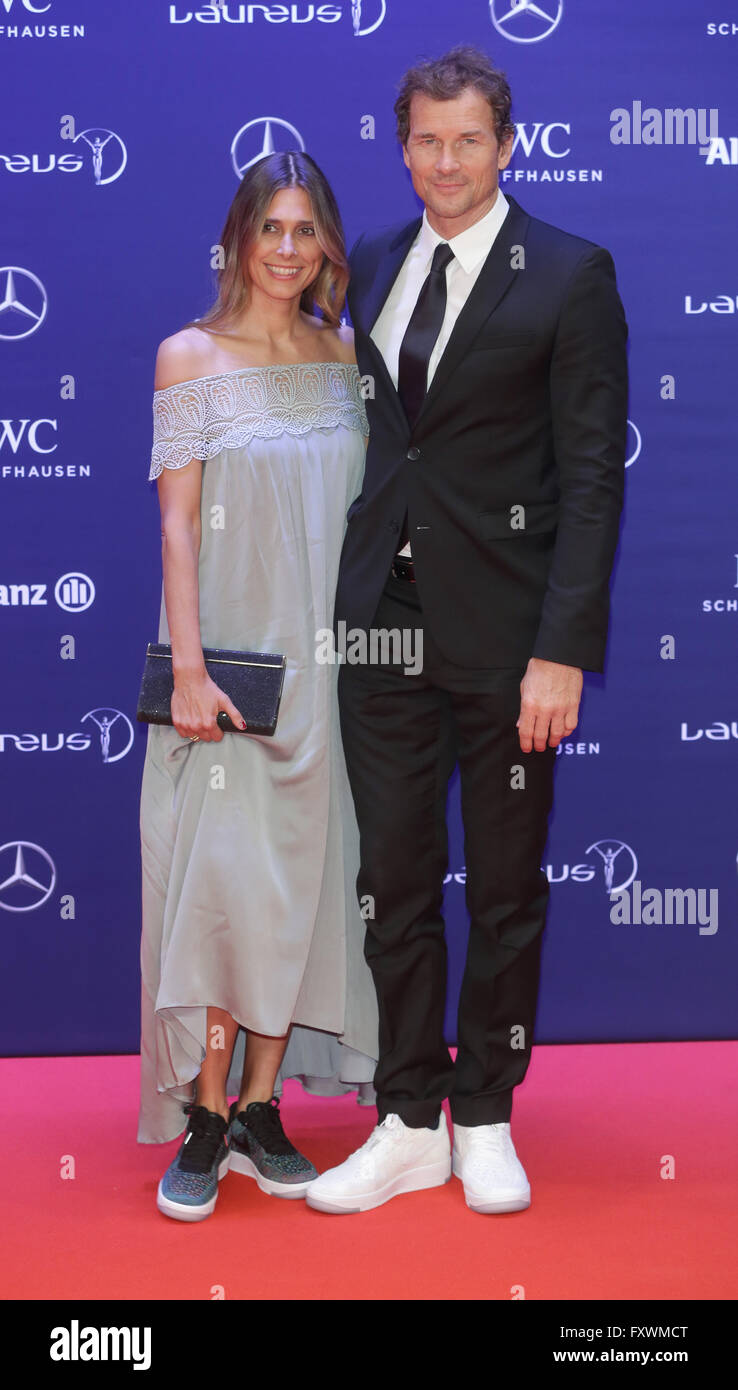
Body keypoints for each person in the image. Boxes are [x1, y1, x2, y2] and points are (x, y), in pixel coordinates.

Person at [305, 46, 628, 1216]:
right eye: (426, 142)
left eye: (468, 141)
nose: (446, 162)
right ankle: (405, 1117)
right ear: (404, 149)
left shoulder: (572, 274)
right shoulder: (381, 261)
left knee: (501, 885)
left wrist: (563, 648)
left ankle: (484, 1110)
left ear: (507, 145)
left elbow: (593, 478)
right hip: (382, 631)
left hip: (507, 640)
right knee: (390, 876)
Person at [138, 150, 378, 1222]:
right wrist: (189, 667)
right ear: (238, 237)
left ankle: (262, 1108)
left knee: (305, 886)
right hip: (231, 669)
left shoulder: (345, 358)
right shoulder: (188, 357)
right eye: (269, 228)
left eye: (306, 230)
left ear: (327, 242)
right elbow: (179, 526)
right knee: (225, 892)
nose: (288, 250)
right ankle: (202, 1113)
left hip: (334, 670)